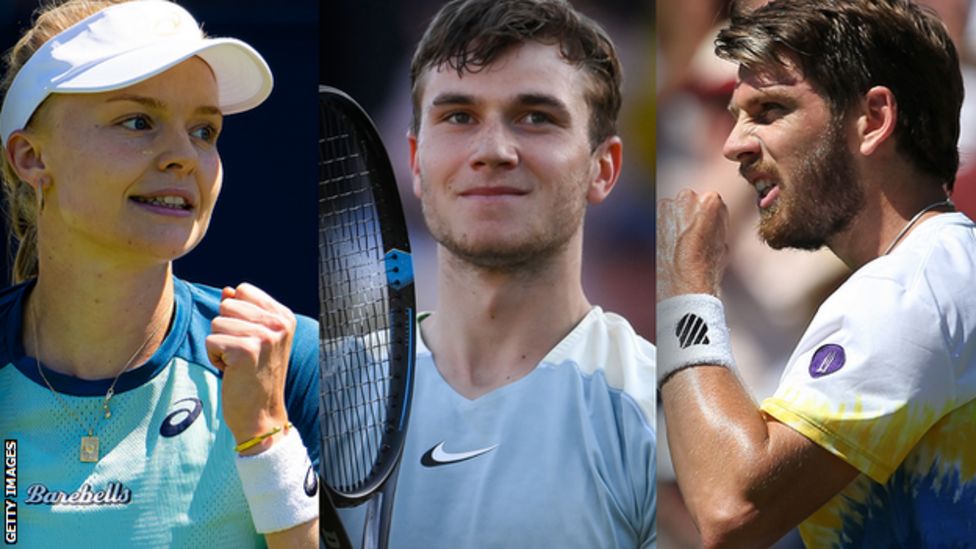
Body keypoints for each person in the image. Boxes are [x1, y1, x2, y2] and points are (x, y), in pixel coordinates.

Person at [336, 0, 656, 547]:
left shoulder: (658, 407)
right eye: (458, 116)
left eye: (537, 117)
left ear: (603, 170)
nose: (493, 150)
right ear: (414, 162)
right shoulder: (324, 391)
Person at [657, 0, 976, 547]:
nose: (735, 145)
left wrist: (685, 290)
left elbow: (731, 507)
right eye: (733, 114)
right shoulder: (936, 269)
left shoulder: (907, 292)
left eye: (771, 110)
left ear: (874, 120)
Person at [0, 1, 319, 546]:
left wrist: (267, 438)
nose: (183, 156)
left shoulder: (292, 360)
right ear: (31, 157)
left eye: (204, 130)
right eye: (137, 121)